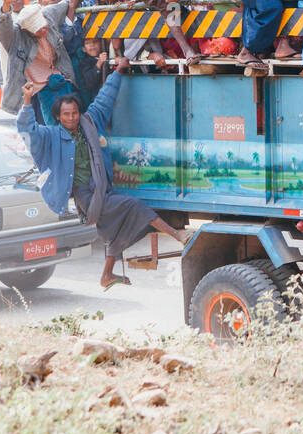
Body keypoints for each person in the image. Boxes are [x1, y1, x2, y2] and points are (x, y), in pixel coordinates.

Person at [18, 75, 187, 289]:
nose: (72, 118)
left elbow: (104, 99)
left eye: (75, 113)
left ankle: (106, 275)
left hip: (102, 190)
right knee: (134, 206)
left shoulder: (90, 123)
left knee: (118, 227)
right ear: (58, 117)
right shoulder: (50, 137)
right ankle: (177, 234)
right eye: (66, 114)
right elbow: (28, 131)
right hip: (87, 199)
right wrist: (26, 100)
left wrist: (118, 71)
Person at [0, 0, 81, 122]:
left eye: (44, 26)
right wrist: (5, 5)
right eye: (38, 29)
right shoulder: (17, 35)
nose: (44, 30)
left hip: (62, 79)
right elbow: (1, 27)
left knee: (71, 121)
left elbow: (67, 2)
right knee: (50, 125)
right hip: (38, 89)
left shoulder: (48, 15)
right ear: (26, 30)